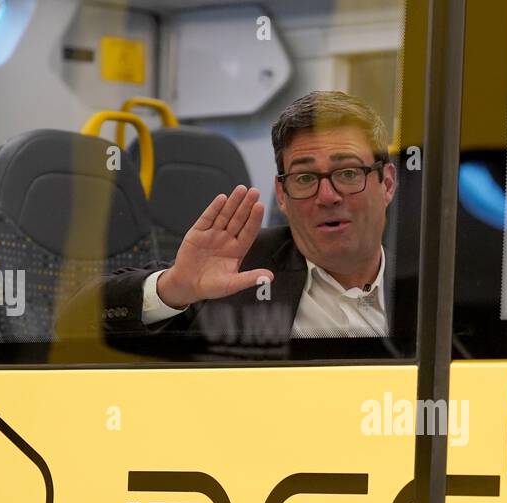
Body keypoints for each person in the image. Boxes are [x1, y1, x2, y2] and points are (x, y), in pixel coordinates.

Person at [81, 90, 397, 347]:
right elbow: (77, 317)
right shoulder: (237, 273)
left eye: (348, 173)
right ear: (282, 195)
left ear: (387, 184)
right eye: (304, 178)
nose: (328, 196)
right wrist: (175, 287)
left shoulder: (434, 282)